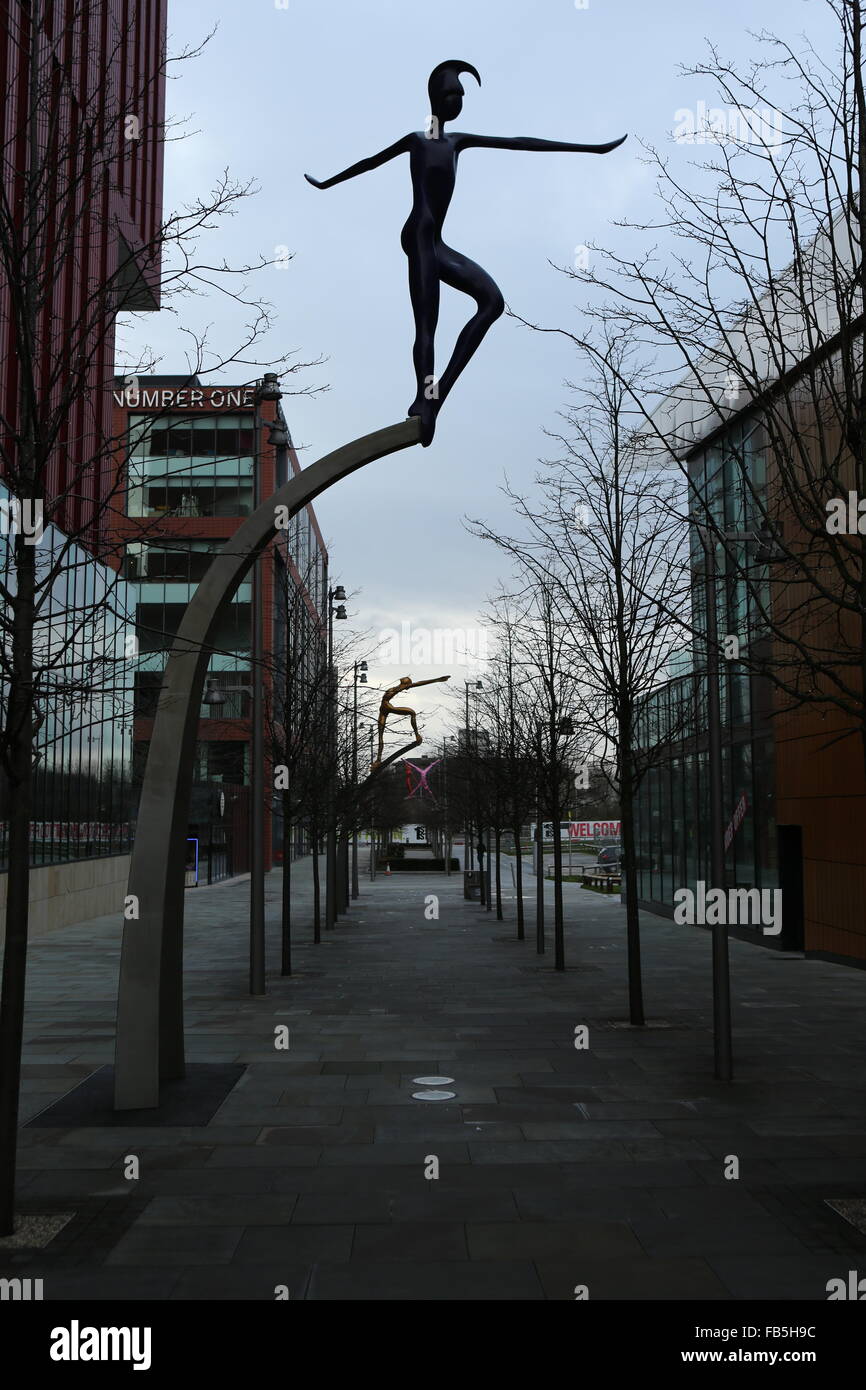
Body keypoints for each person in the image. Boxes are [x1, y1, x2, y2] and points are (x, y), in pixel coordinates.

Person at [306, 61, 626, 444]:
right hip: (419, 237)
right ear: (434, 100)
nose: (456, 102)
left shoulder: (458, 142)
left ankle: (435, 396)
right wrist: (327, 183)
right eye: (450, 96)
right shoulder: (416, 140)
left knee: (492, 302)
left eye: (460, 97)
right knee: (427, 327)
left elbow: (520, 143)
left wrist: (592, 149)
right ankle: (424, 398)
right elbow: (370, 162)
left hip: (437, 242)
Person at [372, 674, 450, 768]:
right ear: (406, 684)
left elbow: (415, 684)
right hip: (387, 707)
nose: (408, 688)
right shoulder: (399, 688)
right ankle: (417, 735)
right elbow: (419, 683)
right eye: (408, 686)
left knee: (381, 735)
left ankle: (378, 760)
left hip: (382, 709)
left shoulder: (393, 689)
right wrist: (437, 679)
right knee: (412, 713)